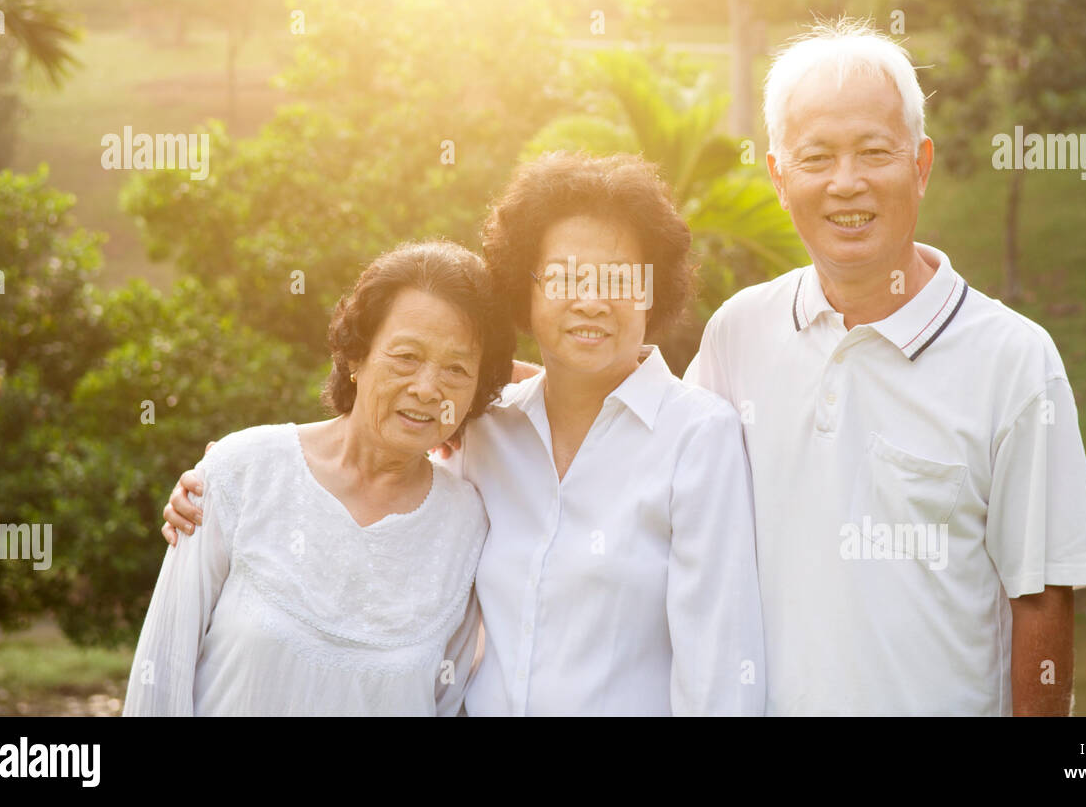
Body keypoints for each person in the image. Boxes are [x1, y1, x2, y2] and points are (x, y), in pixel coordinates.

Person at [163, 153, 767, 716]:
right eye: (563, 278)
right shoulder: (486, 430)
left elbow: (718, 671)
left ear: (652, 289)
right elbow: (382, 429)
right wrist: (239, 474)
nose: (590, 301)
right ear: (523, 295)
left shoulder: (698, 439)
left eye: (618, 279)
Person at [682, 19, 1086, 715]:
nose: (845, 183)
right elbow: (654, 459)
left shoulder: (1014, 361)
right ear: (778, 175)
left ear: (921, 164)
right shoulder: (738, 334)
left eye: (874, 152)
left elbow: (1041, 595)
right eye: (815, 157)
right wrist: (514, 391)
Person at [124, 240, 515, 716]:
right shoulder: (241, 471)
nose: (428, 388)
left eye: (457, 368)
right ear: (356, 356)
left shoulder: (469, 525)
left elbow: (445, 704)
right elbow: (161, 676)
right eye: (406, 356)